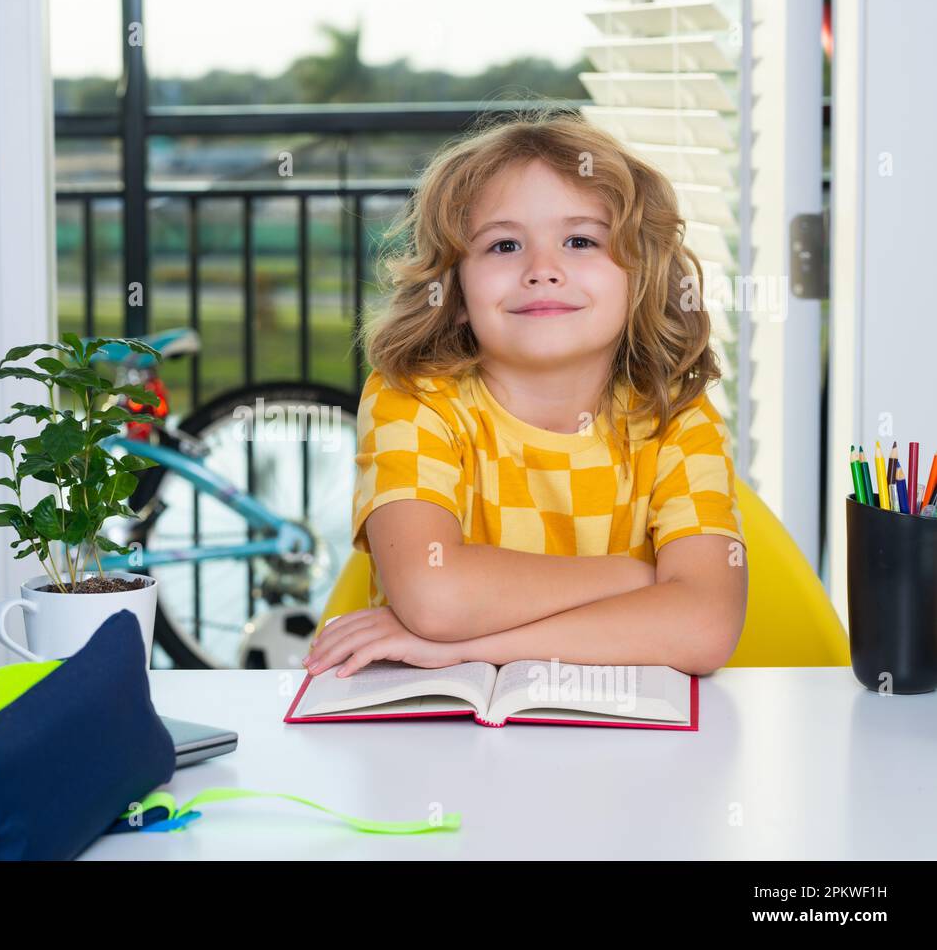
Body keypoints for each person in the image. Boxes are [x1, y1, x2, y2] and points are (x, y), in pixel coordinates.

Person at [307, 109, 747, 680]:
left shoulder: (679, 419)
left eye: (580, 239)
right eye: (504, 246)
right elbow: (433, 595)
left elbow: (706, 627)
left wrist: (467, 647)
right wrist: (641, 577)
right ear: (456, 292)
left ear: (642, 280)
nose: (543, 269)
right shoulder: (414, 401)